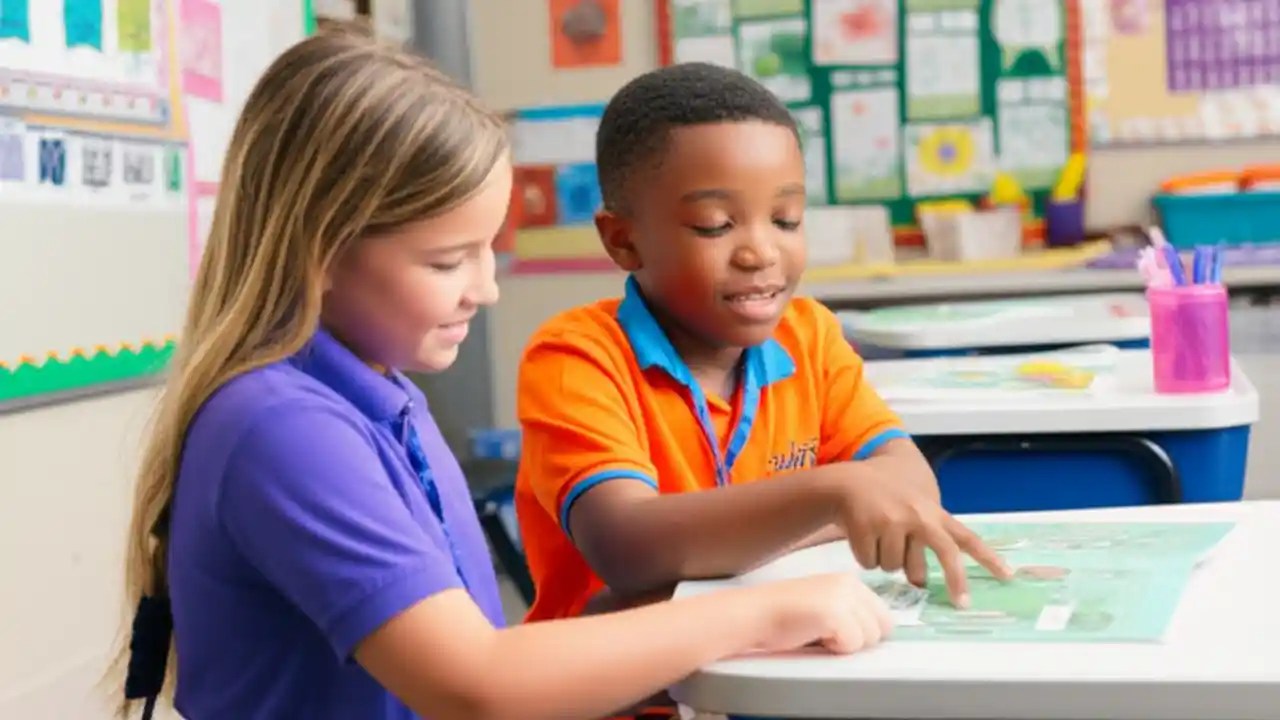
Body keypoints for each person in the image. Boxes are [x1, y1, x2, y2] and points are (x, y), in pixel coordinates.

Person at [107, 29, 894, 720]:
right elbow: (476, 686)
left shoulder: (385, 402)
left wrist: (669, 616)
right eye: (449, 260)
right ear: (323, 246)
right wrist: (759, 614)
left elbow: (486, 654)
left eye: (488, 252)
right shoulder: (282, 430)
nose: (484, 290)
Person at [514, 62, 1013, 627]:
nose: (760, 252)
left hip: (780, 660)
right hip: (628, 696)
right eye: (714, 225)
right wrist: (837, 495)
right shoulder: (577, 357)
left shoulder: (810, 336)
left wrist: (833, 502)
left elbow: (911, 483)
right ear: (624, 241)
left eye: (786, 219)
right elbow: (627, 548)